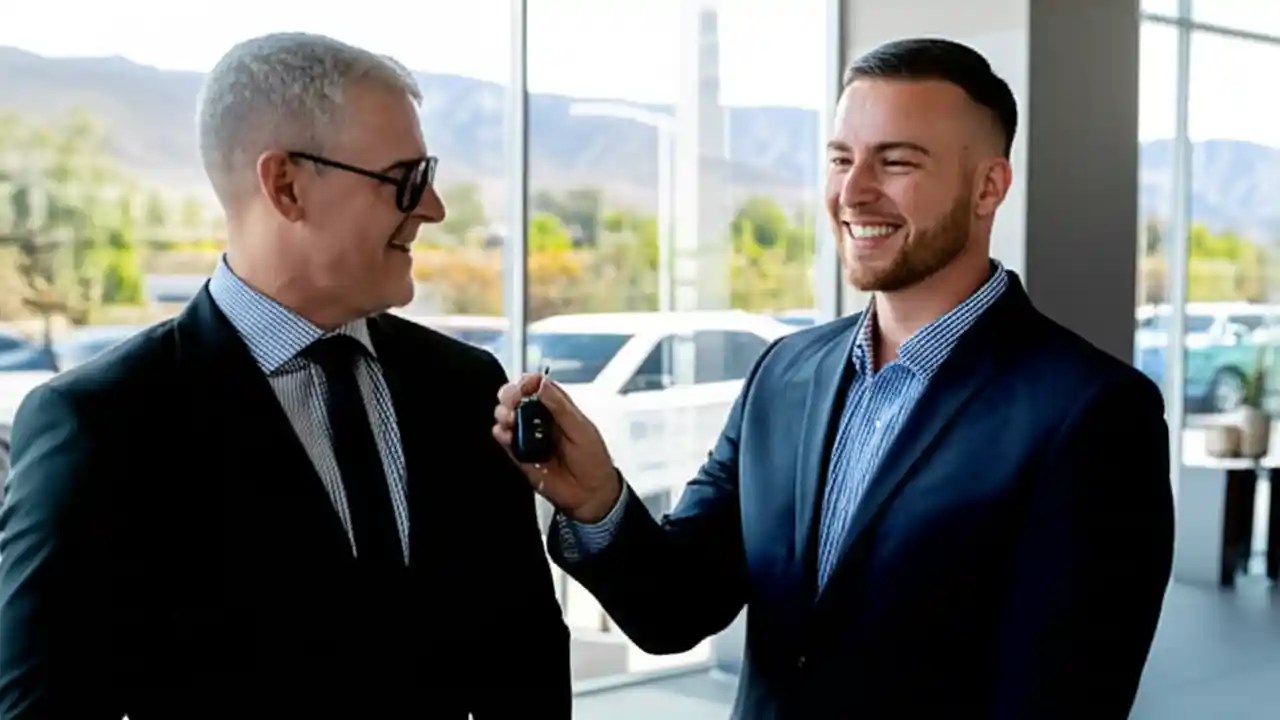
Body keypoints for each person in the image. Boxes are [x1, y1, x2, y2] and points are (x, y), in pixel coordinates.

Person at [495, 37, 1173, 718]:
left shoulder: (1094, 413)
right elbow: (677, 607)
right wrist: (597, 499)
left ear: (988, 186)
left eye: (897, 162)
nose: (853, 192)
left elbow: (1063, 699)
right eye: (841, 160)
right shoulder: (784, 373)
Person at [0, 33, 569, 719]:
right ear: (286, 186)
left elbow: (526, 660)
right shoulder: (100, 426)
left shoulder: (464, 386)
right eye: (405, 181)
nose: (433, 209)